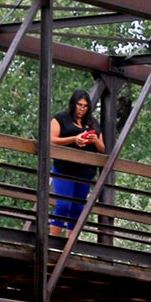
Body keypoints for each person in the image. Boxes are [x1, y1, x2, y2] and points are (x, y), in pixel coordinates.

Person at [48, 87, 103, 236]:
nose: (82, 109)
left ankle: (69, 246)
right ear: (73, 104)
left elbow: (102, 149)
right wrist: (74, 139)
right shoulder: (60, 118)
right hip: (64, 169)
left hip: (85, 173)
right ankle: (52, 242)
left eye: (85, 106)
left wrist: (95, 140)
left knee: (77, 209)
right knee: (64, 205)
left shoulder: (93, 123)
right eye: (79, 105)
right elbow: (51, 140)